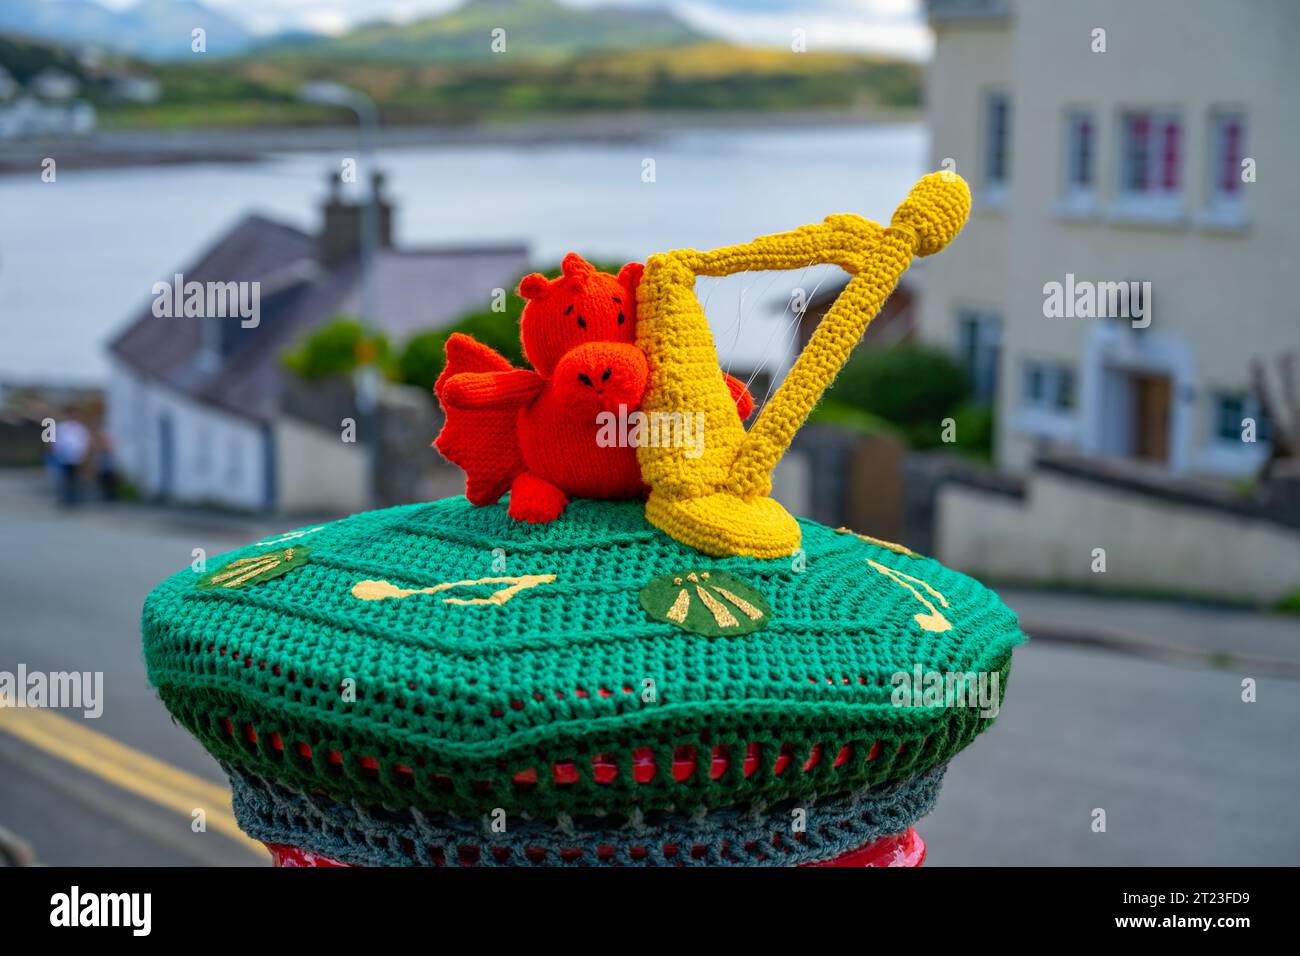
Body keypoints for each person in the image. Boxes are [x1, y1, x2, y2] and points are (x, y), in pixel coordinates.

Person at [51, 418, 90, 506]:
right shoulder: (62, 428)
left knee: (76, 478)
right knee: (65, 479)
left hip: (77, 458)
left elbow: (84, 442)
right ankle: (66, 498)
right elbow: (57, 442)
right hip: (64, 458)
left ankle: (75, 497)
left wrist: (83, 454)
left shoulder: (79, 428)